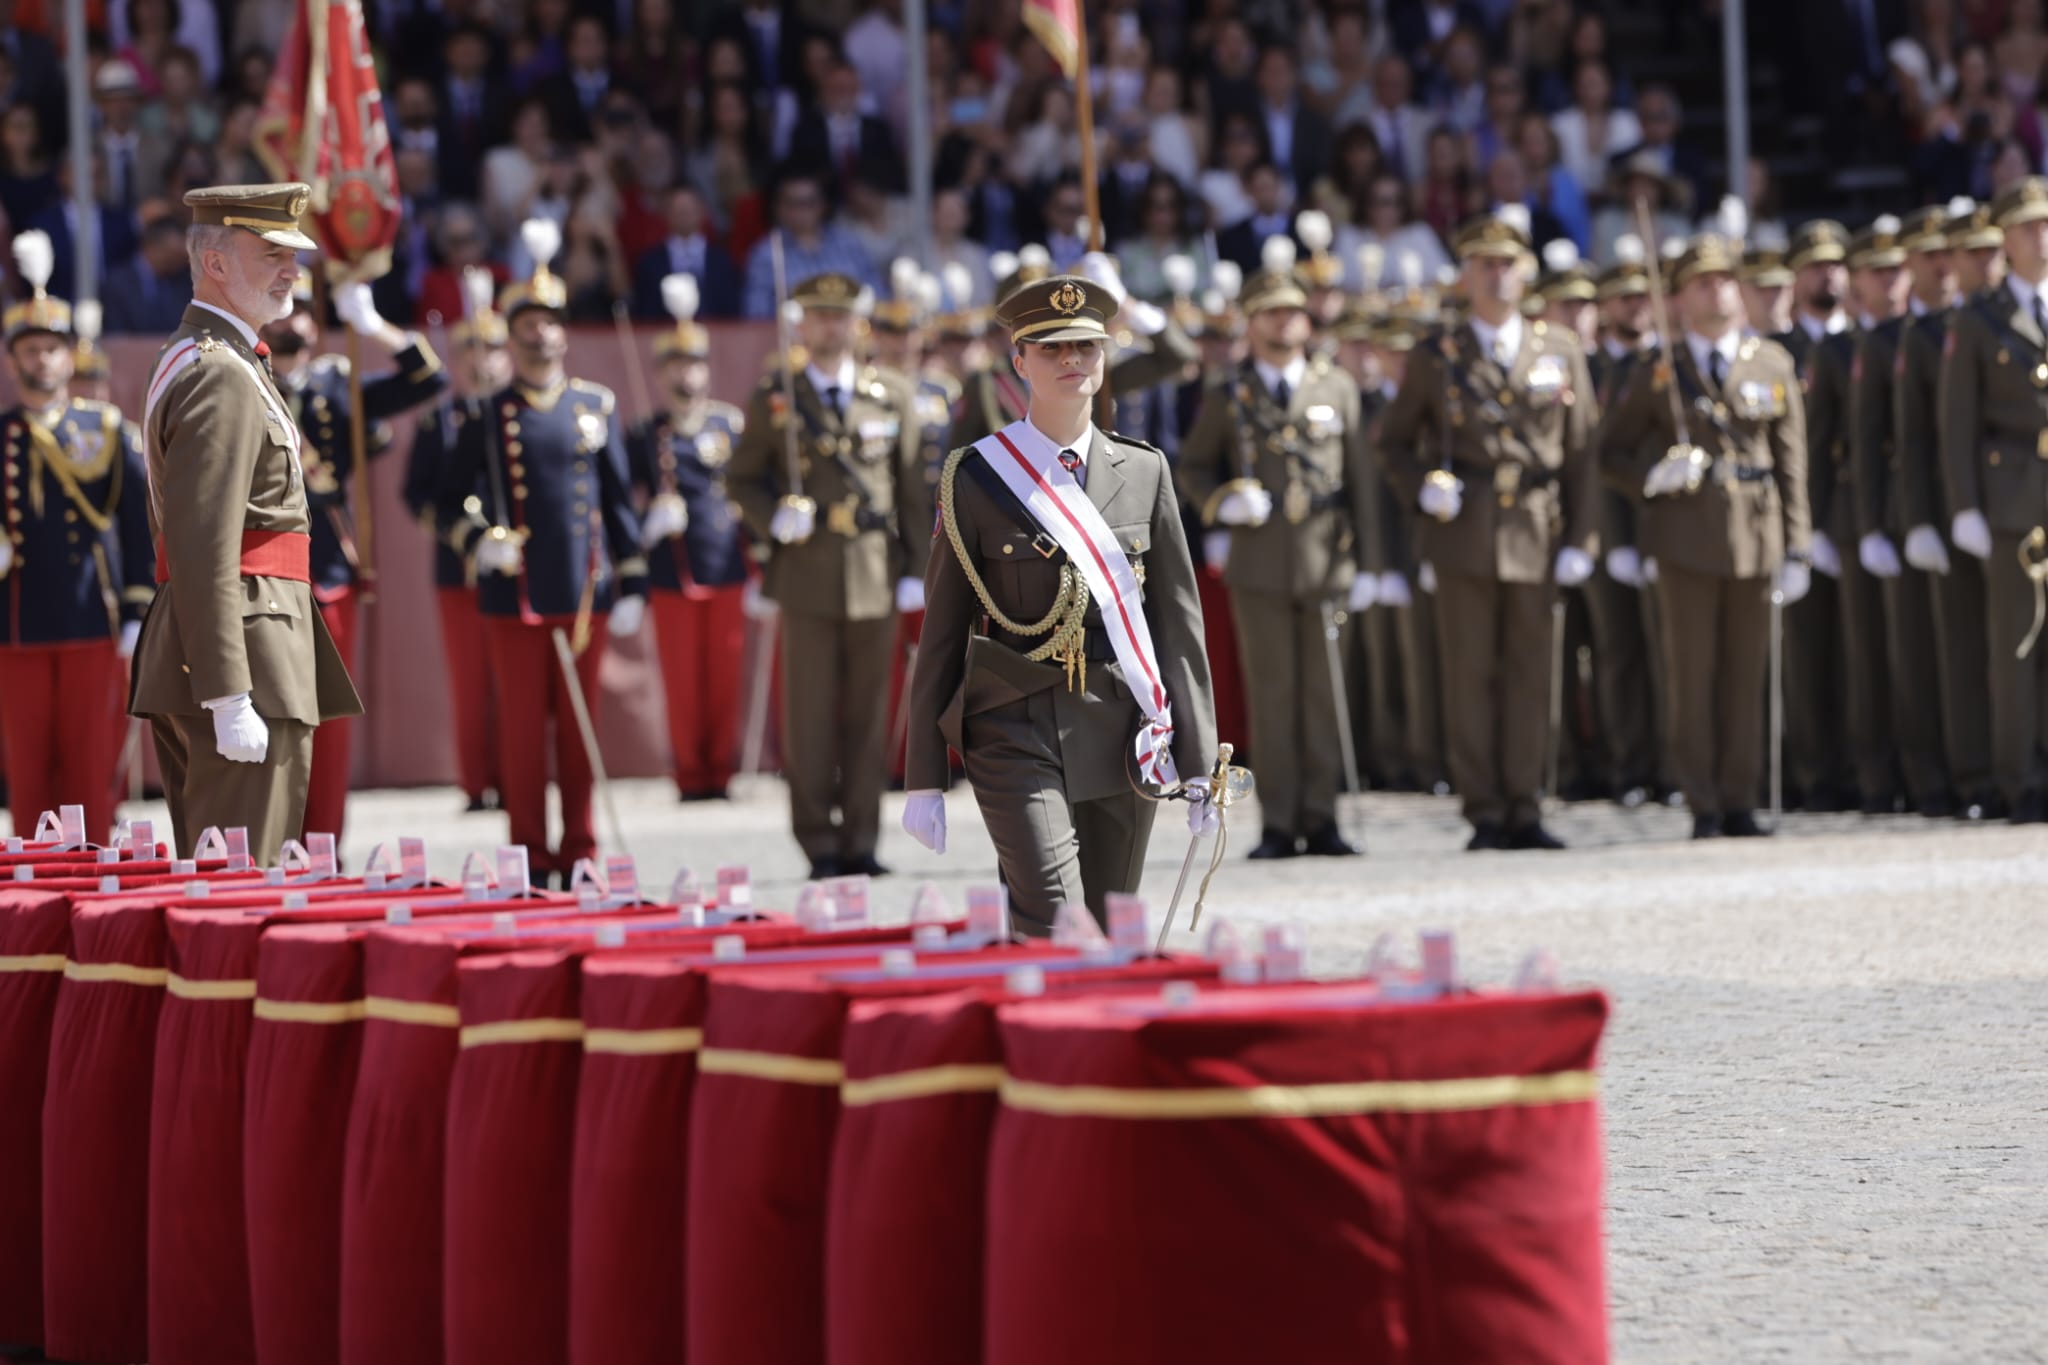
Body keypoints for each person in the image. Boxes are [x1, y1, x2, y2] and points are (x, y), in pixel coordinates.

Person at [900, 274, 1218, 932]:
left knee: (1109, 927)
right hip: (1013, 724)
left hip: (1123, 727)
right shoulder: (978, 475)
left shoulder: (1147, 471)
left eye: (1086, 346)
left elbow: (1178, 629)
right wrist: (923, 774)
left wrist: (1198, 759)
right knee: (1056, 921)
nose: (1071, 360)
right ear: (1020, 360)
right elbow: (943, 630)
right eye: (1051, 348)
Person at [128, 183, 362, 865]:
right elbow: (203, 541)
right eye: (272, 254)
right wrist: (227, 689)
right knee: (241, 888)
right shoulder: (220, 372)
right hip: (247, 650)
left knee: (231, 878)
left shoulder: (216, 357)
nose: (293, 270)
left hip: (244, 638)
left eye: (294, 255)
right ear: (218, 264)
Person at [1377, 207, 1598, 851]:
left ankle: (1527, 803)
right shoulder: (1438, 354)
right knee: (1470, 673)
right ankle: (1484, 810)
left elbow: (1582, 452)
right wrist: (1423, 485)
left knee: (1533, 673)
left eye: (1508, 265)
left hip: (1536, 524)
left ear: (1526, 274)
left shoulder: (1559, 349)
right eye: (1485, 266)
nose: (1498, 276)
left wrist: (1583, 539)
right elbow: (1392, 442)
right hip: (1464, 528)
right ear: (1465, 277)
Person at [436, 230, 649, 884]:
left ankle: (581, 851)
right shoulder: (487, 412)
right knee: (523, 736)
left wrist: (633, 576)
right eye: (527, 324)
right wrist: (482, 541)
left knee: (580, 735)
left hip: (583, 590)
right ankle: (528, 854)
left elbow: (616, 499)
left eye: (550, 323)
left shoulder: (595, 406)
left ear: (564, 333)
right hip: (516, 592)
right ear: (513, 335)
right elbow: (450, 501)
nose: (540, 336)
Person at [1599, 233, 1812, 839]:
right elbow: (1609, 451)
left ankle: (1740, 797)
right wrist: (1653, 476)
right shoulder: (1659, 369)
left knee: (1745, 677)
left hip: (1756, 532)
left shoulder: (1772, 363)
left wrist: (1798, 544)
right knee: (1693, 676)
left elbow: (1791, 462)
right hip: (1686, 536)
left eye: (1723, 281)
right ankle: (1704, 803)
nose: (1715, 291)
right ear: (1679, 298)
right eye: (1700, 283)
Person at [727, 271, 925, 879]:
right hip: (808, 573)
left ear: (856, 323)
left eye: (839, 316)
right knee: (809, 719)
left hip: (874, 571)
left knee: (869, 719)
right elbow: (741, 479)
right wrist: (771, 520)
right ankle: (818, 843)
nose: (828, 327)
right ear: (801, 324)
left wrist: (917, 567)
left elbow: (912, 487)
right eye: (817, 316)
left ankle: (863, 838)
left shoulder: (889, 393)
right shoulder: (776, 395)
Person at [1176, 265, 1374, 858]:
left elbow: (1360, 477)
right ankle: (1281, 823)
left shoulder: (1335, 386)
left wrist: (1373, 562)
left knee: (1323, 694)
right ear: (1252, 321)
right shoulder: (1228, 390)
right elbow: (1192, 467)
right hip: (1260, 560)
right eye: (1271, 312)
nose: (1284, 322)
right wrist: (1222, 502)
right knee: (1273, 695)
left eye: (1293, 311)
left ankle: (1325, 817)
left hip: (1324, 555)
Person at [262, 269, 446, 843]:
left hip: (326, 569)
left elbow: (426, 379)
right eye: (286, 307)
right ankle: (273, 841)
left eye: (306, 311)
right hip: (263, 564)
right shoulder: (242, 378)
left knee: (327, 715)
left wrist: (372, 326)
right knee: (270, 713)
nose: (296, 321)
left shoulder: (335, 386)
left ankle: (323, 845)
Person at [0, 239, 153, 841]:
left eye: (52, 349)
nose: (42, 361)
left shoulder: (105, 428)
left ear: (71, 357)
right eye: (30, 350)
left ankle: (94, 886)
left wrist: (139, 610)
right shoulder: (5, 433)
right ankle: (33, 900)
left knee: (93, 766)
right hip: (15, 622)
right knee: (29, 769)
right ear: (14, 361)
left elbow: (139, 523)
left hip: (94, 613)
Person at [1938, 175, 2048, 822]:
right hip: (2010, 496)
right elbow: (1957, 422)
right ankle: (2020, 777)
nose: (2041, 237)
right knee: (2017, 643)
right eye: (2029, 227)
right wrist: (1966, 507)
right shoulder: (1978, 319)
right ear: (2005, 239)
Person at [627, 275, 750, 802]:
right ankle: (689, 775)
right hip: (672, 570)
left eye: (695, 364)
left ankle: (720, 772)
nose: (687, 374)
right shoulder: (645, 433)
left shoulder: (730, 425)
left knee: (724, 678)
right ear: (661, 373)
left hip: (724, 563)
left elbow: (748, 496)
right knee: (681, 681)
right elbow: (616, 504)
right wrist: (649, 522)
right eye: (677, 365)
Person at [1898, 196, 2002, 820]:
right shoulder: (1925, 334)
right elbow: (1911, 439)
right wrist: (1916, 519)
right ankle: (1971, 776)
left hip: (2012, 500)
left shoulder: (2007, 318)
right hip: (1949, 505)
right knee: (1960, 649)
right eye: (1941, 257)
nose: (1953, 268)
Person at [1850, 210, 1951, 817]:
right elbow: (1868, 442)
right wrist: (1870, 525)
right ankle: (1919, 776)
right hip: (1900, 509)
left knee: (1949, 651)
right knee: (1907, 653)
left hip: (1952, 503)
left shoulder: (1946, 328)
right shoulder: (1879, 343)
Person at [401, 271, 507, 814]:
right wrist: (465, 536)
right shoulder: (440, 419)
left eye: (492, 347)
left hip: (517, 566)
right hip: (459, 568)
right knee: (470, 683)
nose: (482, 359)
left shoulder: (518, 414)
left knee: (515, 683)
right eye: (472, 349)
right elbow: (416, 495)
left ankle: (517, 777)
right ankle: (476, 782)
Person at [1776, 219, 1856, 812]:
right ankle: (1811, 773)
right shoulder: (1782, 352)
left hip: (1855, 518)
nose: (1827, 274)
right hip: (1805, 522)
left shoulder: (1861, 344)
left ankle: (1860, 767)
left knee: (1861, 655)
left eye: (1835, 265)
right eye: (1815, 266)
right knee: (1805, 659)